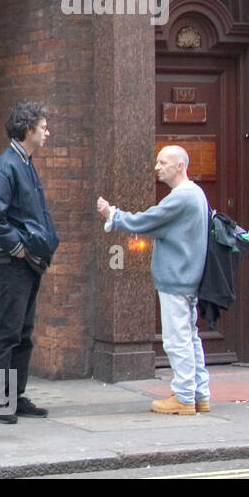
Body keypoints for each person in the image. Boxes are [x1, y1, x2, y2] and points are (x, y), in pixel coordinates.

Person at [97, 146, 209, 415]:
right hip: (188, 277)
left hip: (176, 279)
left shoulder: (180, 198)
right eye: (157, 161)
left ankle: (183, 397)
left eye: (163, 162)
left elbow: (148, 220)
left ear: (180, 166)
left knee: (176, 338)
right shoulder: (196, 194)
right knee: (190, 336)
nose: (157, 167)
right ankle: (199, 393)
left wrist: (112, 214)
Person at [0, 101, 59, 424]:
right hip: (16, 262)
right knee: (9, 331)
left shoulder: (23, 162)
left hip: (29, 261)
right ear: (28, 130)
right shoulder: (6, 165)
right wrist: (19, 249)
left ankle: (14, 396)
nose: (47, 132)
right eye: (43, 127)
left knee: (23, 331)